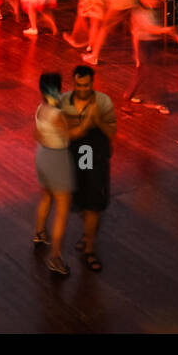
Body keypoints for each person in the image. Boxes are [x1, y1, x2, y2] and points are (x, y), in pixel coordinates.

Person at [58, 65, 116, 273]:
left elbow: (111, 131)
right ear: (73, 83)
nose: (83, 89)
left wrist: (97, 120)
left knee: (93, 203)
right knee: (81, 203)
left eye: (87, 85)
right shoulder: (65, 102)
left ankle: (89, 248)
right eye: (79, 85)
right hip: (76, 155)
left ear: (93, 83)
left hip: (97, 156)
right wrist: (84, 127)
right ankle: (87, 235)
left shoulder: (102, 101)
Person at [32, 72, 73, 277]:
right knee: (62, 211)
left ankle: (39, 233)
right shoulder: (59, 115)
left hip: (41, 156)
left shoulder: (40, 109)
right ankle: (56, 258)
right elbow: (71, 136)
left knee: (46, 197)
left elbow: (36, 134)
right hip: (57, 160)